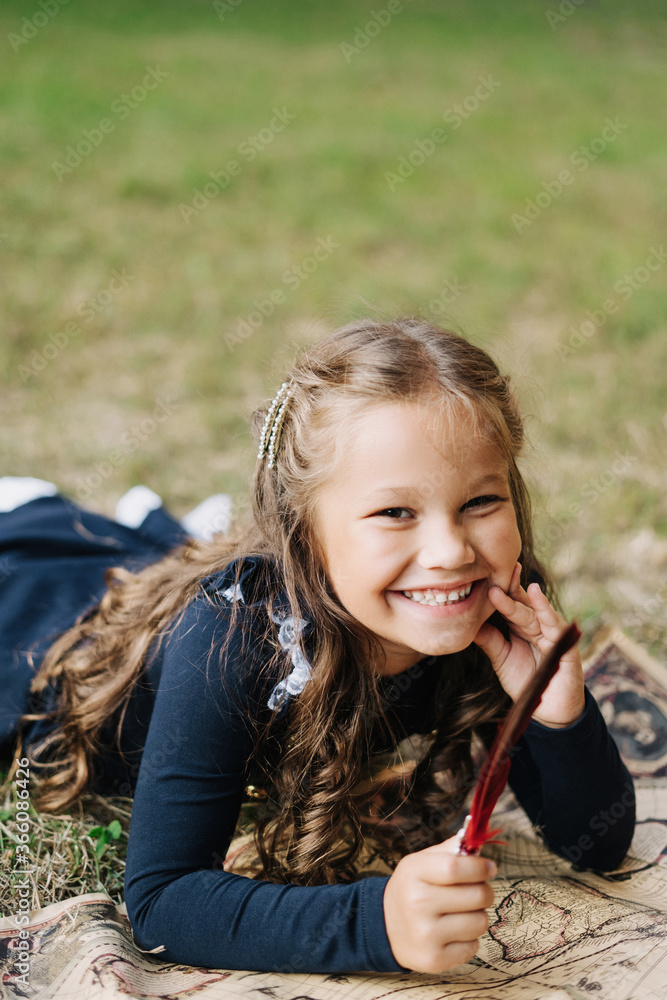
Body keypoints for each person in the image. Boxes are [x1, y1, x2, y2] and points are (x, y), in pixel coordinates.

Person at [0, 318, 635, 976]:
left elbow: (596, 844)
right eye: (395, 512)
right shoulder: (229, 641)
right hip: (38, 639)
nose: (450, 553)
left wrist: (557, 713)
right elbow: (163, 901)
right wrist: (376, 922)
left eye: (479, 501)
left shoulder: (496, 613)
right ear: (303, 533)